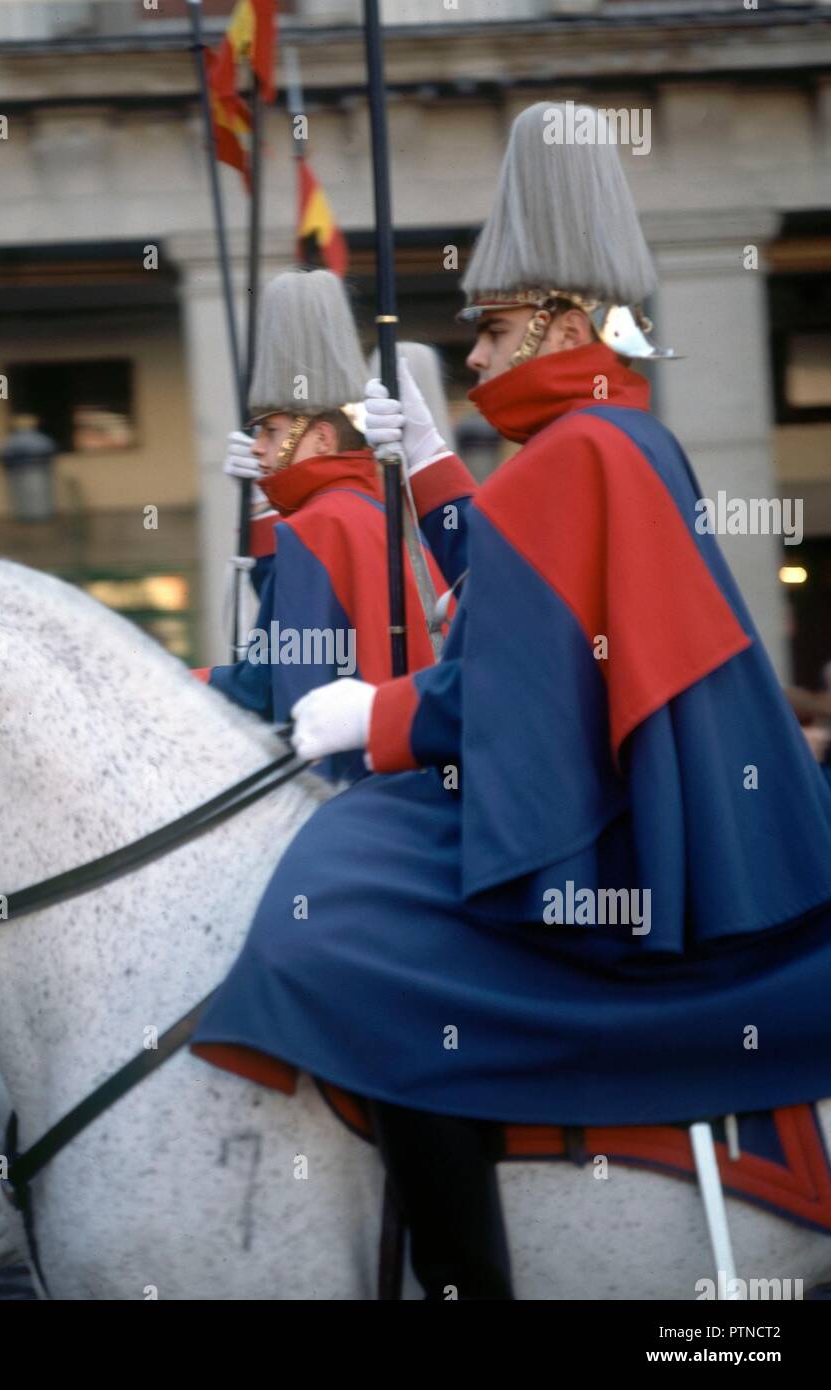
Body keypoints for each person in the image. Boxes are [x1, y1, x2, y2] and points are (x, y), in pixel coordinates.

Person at [190, 102, 831, 1299]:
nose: (475, 357)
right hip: (619, 799)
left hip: (594, 827)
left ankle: (463, 1274)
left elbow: (516, 685)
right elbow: (506, 590)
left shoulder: (577, 454)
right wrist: (430, 456)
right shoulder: (613, 438)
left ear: (567, 321)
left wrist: (371, 719)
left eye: (490, 329)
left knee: (344, 928)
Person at [194, 268, 451, 783]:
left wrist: (167, 682)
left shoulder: (321, 525)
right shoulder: (366, 509)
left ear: (321, 441)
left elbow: (273, 686)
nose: (258, 448)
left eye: (270, 430)